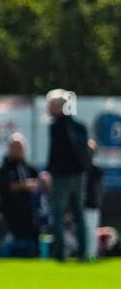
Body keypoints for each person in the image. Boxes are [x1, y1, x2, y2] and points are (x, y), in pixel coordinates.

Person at [45, 89, 90, 262]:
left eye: (51, 105)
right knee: (78, 213)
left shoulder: (56, 126)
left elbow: (54, 153)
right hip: (79, 175)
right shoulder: (80, 126)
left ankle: (60, 252)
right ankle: (82, 251)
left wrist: (49, 172)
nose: (49, 109)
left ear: (58, 106)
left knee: (57, 213)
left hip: (61, 176)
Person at [0, 135, 39, 258]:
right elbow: (6, 186)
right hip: (9, 213)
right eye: (14, 147)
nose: (17, 150)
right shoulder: (4, 168)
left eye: (19, 148)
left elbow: (37, 184)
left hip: (28, 214)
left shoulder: (29, 168)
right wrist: (24, 186)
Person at [84, 140, 103, 261]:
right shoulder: (80, 169)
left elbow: (99, 189)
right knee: (85, 230)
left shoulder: (96, 170)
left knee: (92, 231)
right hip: (82, 205)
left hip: (93, 204)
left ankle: (92, 253)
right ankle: (85, 252)